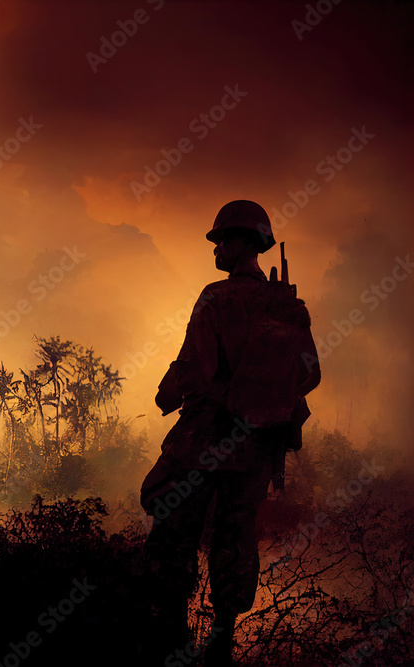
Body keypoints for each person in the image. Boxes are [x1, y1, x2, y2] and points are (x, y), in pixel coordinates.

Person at [140, 200, 321, 666]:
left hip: (204, 439)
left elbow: (194, 367)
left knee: (171, 525)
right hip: (255, 447)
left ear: (243, 242)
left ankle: (173, 640)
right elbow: (309, 373)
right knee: (235, 536)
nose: (217, 248)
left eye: (222, 240)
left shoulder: (216, 297)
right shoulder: (286, 304)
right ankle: (221, 641)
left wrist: (166, 394)